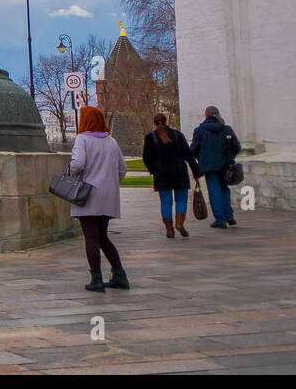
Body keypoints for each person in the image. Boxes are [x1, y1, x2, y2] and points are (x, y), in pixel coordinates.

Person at [69, 106, 128, 293]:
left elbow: (77, 163)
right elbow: (122, 169)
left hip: (88, 194)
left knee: (91, 237)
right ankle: (119, 274)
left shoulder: (83, 139)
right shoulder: (111, 141)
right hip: (108, 195)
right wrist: (110, 183)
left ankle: (96, 278)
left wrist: (72, 172)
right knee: (102, 236)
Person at [142, 113, 201, 239]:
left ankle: (169, 229)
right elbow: (188, 155)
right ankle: (179, 223)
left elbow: (146, 158)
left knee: (166, 202)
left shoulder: (150, 138)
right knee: (181, 199)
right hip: (179, 172)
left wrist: (153, 170)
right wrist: (196, 172)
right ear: (166, 121)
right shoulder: (177, 135)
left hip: (161, 174)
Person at [190, 106, 241, 228]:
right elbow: (236, 147)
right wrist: (229, 157)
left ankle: (220, 219)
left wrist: (200, 159)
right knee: (224, 190)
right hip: (225, 166)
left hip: (209, 166)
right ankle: (229, 214)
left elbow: (193, 149)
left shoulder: (200, 130)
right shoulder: (227, 129)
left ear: (205, 115)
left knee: (214, 192)